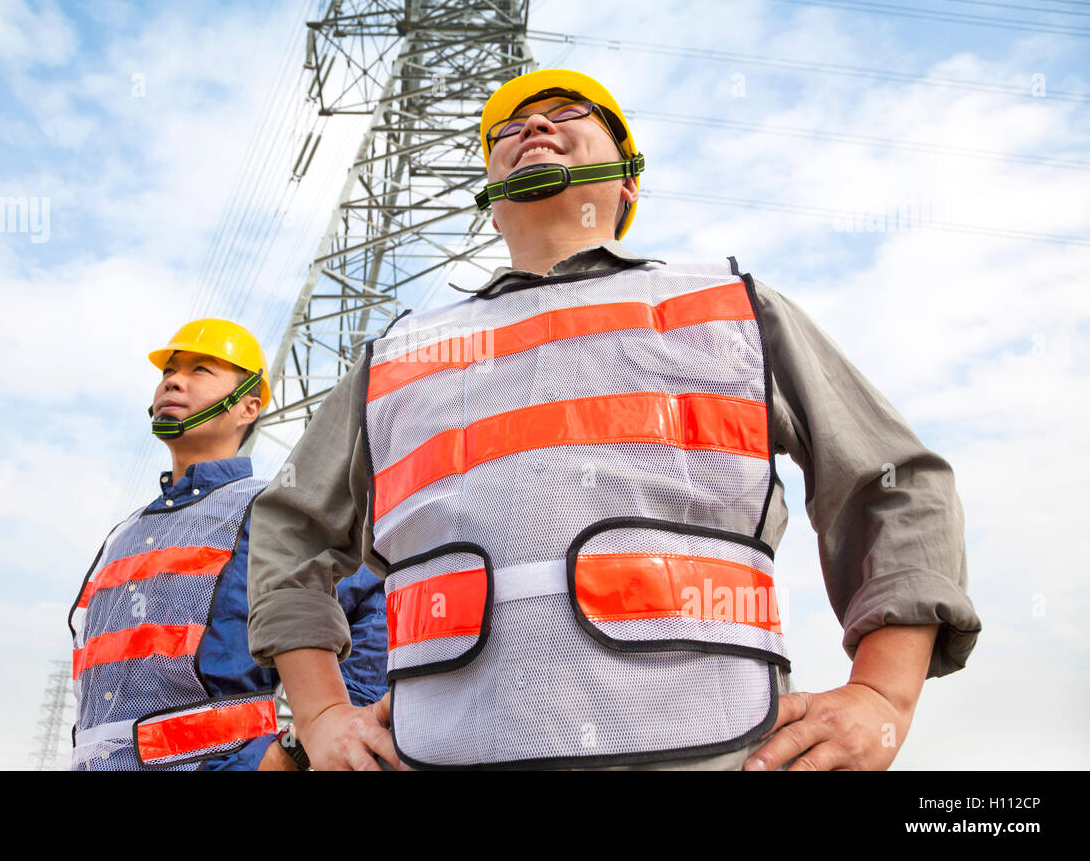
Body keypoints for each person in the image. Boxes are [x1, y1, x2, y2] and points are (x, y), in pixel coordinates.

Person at [245, 69, 981, 770]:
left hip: (711, 752)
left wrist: (883, 692)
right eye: (508, 129)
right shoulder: (401, 354)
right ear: (491, 197)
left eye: (571, 116)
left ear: (627, 181)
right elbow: (290, 526)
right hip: (449, 749)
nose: (534, 123)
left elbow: (898, 483)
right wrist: (316, 713)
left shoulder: (730, 310)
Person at [68, 318, 386, 770]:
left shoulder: (274, 510)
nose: (174, 381)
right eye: (168, 372)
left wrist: (311, 739)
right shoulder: (123, 534)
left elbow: (377, 597)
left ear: (248, 407)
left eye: (201, 371)